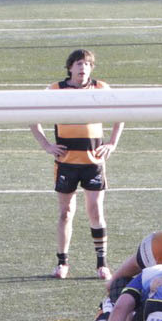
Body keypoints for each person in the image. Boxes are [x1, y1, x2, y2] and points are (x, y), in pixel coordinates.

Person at [32, 49, 123, 280]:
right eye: (79, 64)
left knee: (95, 211)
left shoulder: (101, 88)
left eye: (87, 64)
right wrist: (46, 145)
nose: (83, 68)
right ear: (70, 67)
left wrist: (112, 143)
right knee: (65, 213)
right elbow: (32, 116)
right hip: (66, 163)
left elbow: (120, 112)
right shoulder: (55, 90)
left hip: (93, 162)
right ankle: (62, 263)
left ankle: (101, 264)